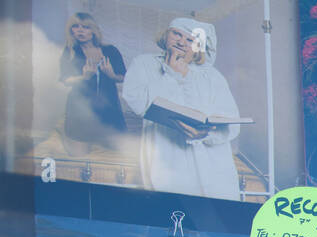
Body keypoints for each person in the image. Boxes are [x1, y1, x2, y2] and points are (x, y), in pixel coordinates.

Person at [121, 18, 242, 200]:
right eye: (177, 34)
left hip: (212, 162)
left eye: (190, 40)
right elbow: (137, 102)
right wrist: (171, 74)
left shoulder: (213, 76)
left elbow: (232, 123)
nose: (181, 42)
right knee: (171, 209)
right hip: (166, 154)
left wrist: (206, 134)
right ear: (166, 35)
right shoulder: (144, 64)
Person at [59, 13, 126, 154]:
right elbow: (65, 79)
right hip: (80, 109)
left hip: (109, 108)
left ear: (93, 30)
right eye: (75, 27)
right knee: (79, 155)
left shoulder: (111, 51)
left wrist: (111, 75)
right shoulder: (70, 52)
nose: (80, 30)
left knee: (115, 153)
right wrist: (83, 77)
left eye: (85, 27)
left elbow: (123, 77)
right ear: (71, 30)